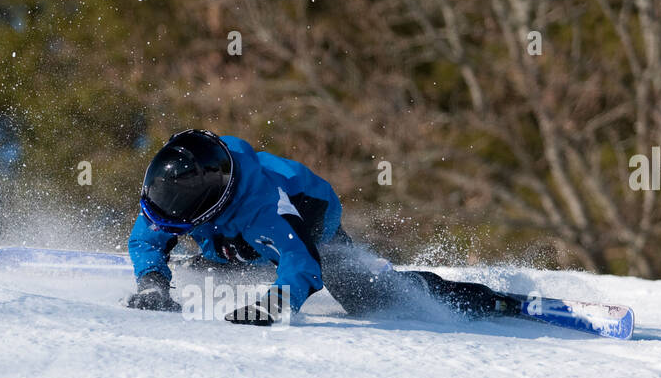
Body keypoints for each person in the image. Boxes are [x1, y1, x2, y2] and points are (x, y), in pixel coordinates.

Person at [125, 129, 516, 325]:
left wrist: (275, 306)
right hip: (234, 241)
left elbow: (301, 264)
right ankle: (228, 258)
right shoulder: (182, 186)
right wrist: (152, 282)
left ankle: (492, 300)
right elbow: (147, 239)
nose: (167, 219)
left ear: (216, 201)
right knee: (204, 270)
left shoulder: (266, 210)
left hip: (313, 229)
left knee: (372, 301)